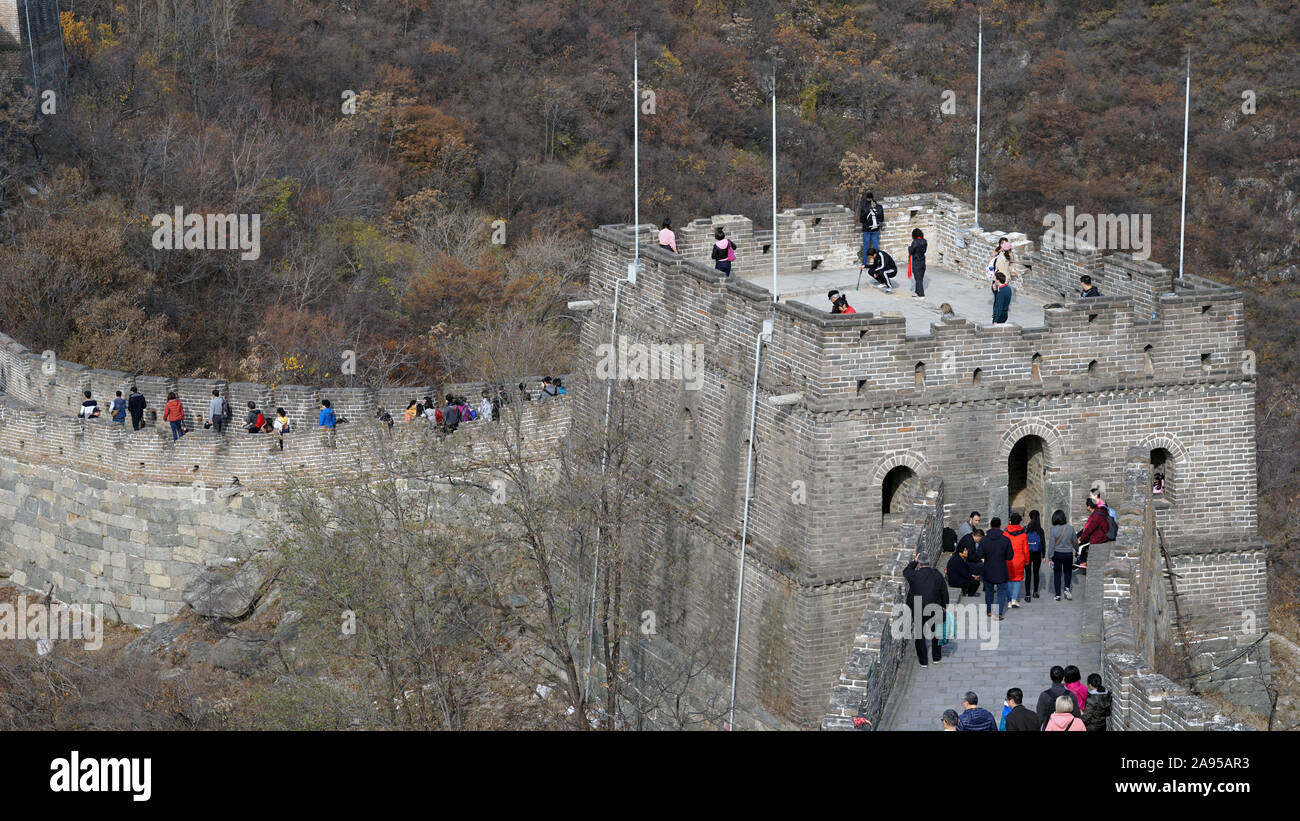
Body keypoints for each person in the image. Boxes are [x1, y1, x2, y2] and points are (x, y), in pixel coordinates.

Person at [903, 552, 949, 667]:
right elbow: (944, 590)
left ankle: (923, 661)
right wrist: (944, 605)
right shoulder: (937, 574)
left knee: (919, 635)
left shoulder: (914, 575)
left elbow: (906, 571)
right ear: (929, 562)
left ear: (920, 563)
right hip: (935, 605)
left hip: (918, 605)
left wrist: (914, 561)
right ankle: (936, 657)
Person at [979, 517, 1012, 619]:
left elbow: (979, 554)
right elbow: (1010, 556)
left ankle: (989, 611)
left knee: (989, 590)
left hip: (988, 568)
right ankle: (997, 613)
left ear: (990, 525)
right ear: (1000, 526)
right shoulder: (1005, 540)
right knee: (1001, 592)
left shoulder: (984, 540)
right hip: (1001, 569)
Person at [1048, 509, 1077, 601]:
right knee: (1068, 572)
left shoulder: (1053, 529)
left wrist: (1050, 557)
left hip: (1057, 554)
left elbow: (1051, 544)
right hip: (1068, 553)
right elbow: (1075, 542)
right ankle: (1067, 588)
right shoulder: (1070, 528)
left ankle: (1057, 595)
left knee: (1057, 574)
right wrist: (1077, 550)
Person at [1005, 512, 1029, 607]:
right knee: (1017, 579)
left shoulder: (1005, 533)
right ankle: (1014, 599)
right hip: (1019, 559)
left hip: (1008, 559)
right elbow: (1026, 550)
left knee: (1009, 579)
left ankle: (1009, 600)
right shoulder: (1023, 535)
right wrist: (1027, 561)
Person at [1077, 497, 1109, 568]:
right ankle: (1080, 559)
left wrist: (1081, 539)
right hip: (1099, 534)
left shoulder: (1097, 515)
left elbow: (1089, 528)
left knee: (1081, 545)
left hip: (1099, 537)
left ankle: (1083, 561)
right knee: (1078, 539)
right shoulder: (1101, 511)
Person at [1024, 510, 1045, 600]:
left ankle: (1027, 594)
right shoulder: (1040, 530)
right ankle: (1035, 592)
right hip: (1037, 553)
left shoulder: (1026, 529)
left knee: (1028, 574)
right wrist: (1043, 555)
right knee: (1036, 572)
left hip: (1028, 553)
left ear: (1030, 517)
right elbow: (1043, 543)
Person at [858, 190, 884, 259]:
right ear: (873, 198)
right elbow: (881, 219)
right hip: (875, 229)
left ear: (866, 198)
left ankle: (864, 263)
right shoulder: (879, 207)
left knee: (866, 247)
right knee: (876, 247)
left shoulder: (864, 207)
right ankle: (877, 262)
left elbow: (861, 220)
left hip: (866, 230)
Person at [908, 228, 928, 298]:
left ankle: (921, 294)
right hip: (922, 261)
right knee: (920, 278)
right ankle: (917, 291)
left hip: (916, 262)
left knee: (918, 278)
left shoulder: (915, 242)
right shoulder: (925, 241)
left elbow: (911, 251)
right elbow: (924, 250)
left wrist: (909, 247)